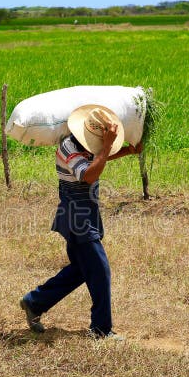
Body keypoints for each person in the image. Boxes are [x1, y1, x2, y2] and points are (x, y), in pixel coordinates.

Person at [19, 104, 142, 339]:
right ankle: (101, 329)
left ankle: (34, 302)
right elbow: (88, 174)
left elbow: (96, 156)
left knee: (81, 270)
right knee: (100, 270)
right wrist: (106, 147)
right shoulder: (68, 147)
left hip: (85, 215)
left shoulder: (84, 145)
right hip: (77, 217)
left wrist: (126, 151)